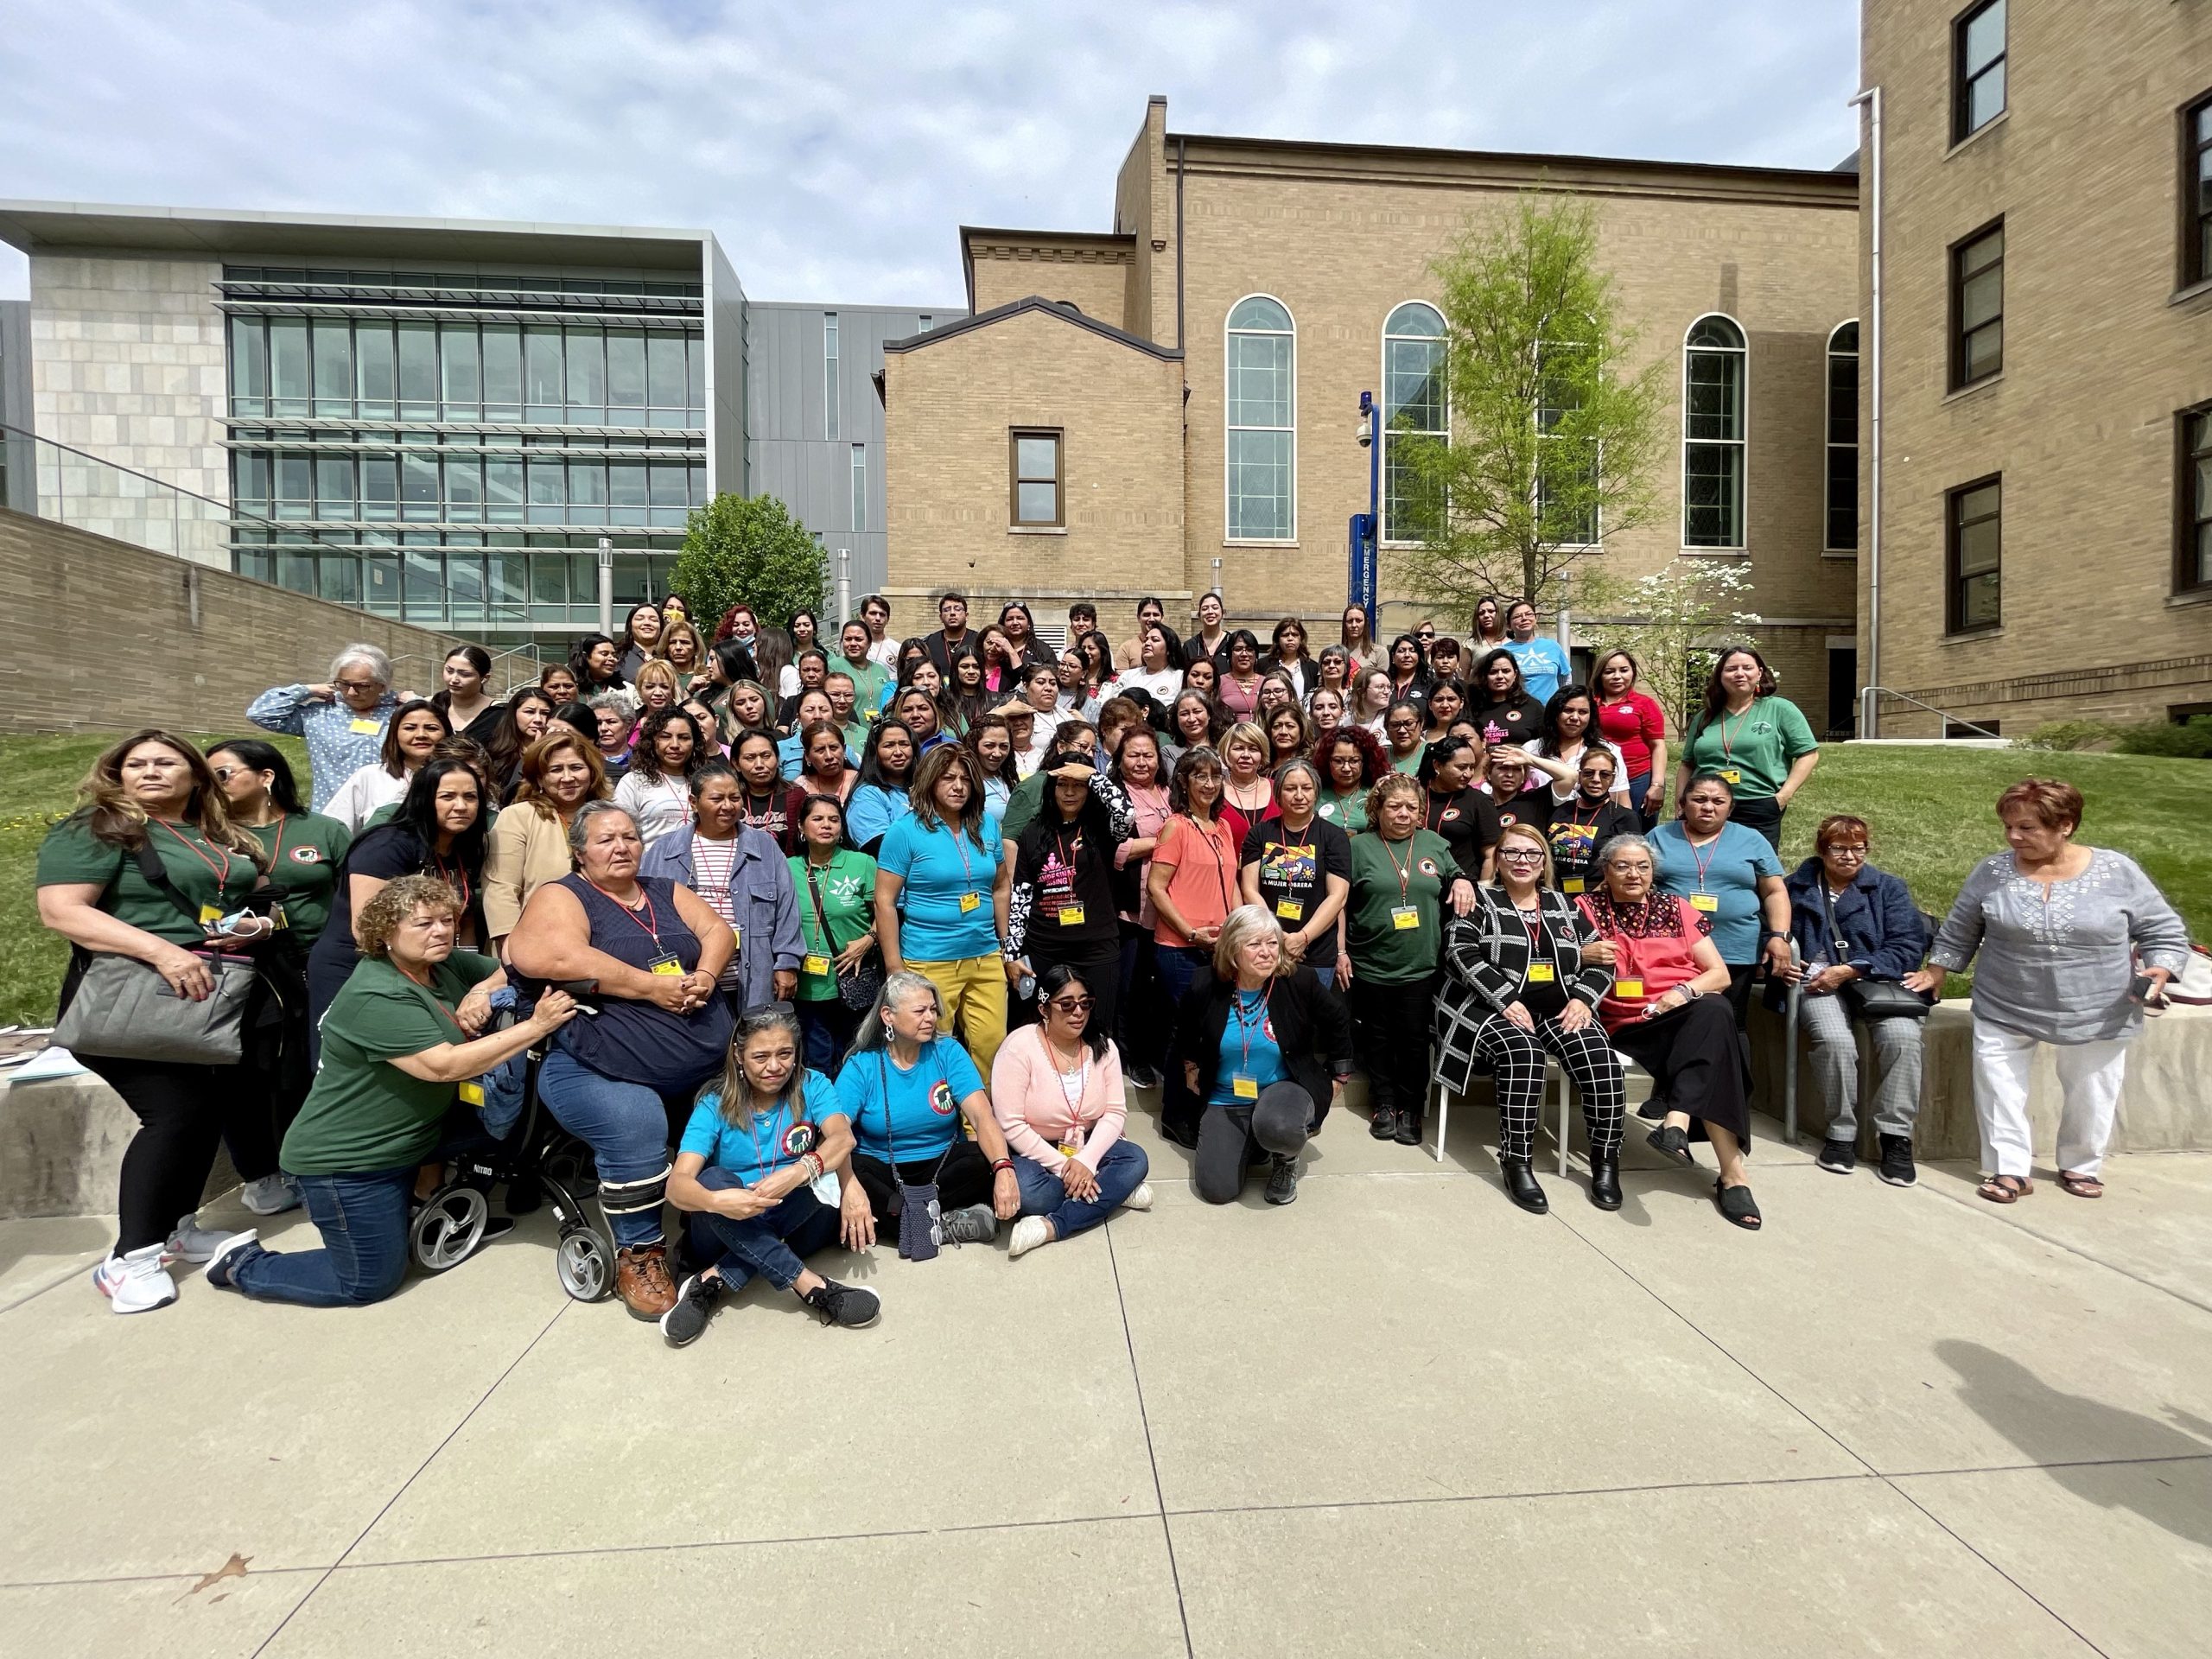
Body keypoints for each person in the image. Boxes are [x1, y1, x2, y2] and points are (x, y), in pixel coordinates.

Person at [201, 877, 567, 1307]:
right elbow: (443, 1066)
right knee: (366, 1282)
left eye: (448, 921)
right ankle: (241, 1263)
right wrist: (536, 1026)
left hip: (416, 1138)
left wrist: (481, 991)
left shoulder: (442, 964)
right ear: (385, 934)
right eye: (424, 923)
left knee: (519, 1127)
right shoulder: (377, 992)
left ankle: (427, 1203)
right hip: (349, 1164)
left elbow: (515, 967)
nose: (442, 931)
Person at [36, 732, 281, 1313]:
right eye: (136, 764)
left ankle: (175, 1228)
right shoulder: (96, 829)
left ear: (197, 776)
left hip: (206, 995)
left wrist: (258, 927)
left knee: (204, 1115)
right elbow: (61, 911)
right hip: (132, 995)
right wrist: (164, 952)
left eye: (166, 763)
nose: (149, 772)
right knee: (176, 1115)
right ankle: (130, 1261)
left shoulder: (216, 835)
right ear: (116, 774)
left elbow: (264, 900)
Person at [1907, 779, 2190, 1204]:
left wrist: (2161, 968)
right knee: (2000, 1087)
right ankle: (2010, 1169)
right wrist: (1938, 970)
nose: (2013, 838)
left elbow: (2162, 929)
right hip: (2005, 999)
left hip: (2098, 1005)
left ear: (2066, 825)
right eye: (2008, 827)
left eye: (2027, 829)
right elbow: (1963, 926)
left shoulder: (2117, 871)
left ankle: (2081, 1163)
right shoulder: (1993, 871)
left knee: (2093, 1088)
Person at [506, 800, 735, 1319]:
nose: (621, 847)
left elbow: (719, 932)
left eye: (629, 837)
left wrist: (705, 974)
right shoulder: (563, 894)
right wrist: (652, 988)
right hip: (594, 1064)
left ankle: (723, 1225)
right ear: (580, 850)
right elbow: (555, 957)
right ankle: (641, 1250)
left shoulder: (664, 889)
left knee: (750, 1102)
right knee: (635, 1118)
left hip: (700, 1060)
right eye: (606, 839)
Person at [658, 1005, 879, 1344]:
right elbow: (677, 1186)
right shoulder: (714, 1102)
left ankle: (714, 1279)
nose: (775, 1067)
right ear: (739, 1055)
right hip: (725, 1224)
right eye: (760, 1056)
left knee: (824, 1178)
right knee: (713, 1178)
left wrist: (803, 1172)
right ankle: (811, 1286)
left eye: (785, 1054)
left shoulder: (812, 1084)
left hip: (789, 1212)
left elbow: (842, 1137)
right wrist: (716, 1201)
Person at [1434, 823, 1625, 1211]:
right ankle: (1516, 1160)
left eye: (1532, 854)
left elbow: (1602, 960)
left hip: (1558, 1008)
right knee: (1526, 1054)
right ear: (1498, 860)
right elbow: (1460, 953)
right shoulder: (1480, 900)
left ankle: (1606, 1161)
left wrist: (1584, 1001)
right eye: (1512, 853)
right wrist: (1504, 998)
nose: (1522, 861)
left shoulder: (1565, 906)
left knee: (1600, 1059)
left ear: (1544, 862)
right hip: (1485, 1007)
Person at [1581, 834, 1760, 1228]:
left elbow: (1719, 974)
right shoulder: (1584, 909)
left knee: (1712, 1009)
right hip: (1625, 1023)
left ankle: (1680, 1124)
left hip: (1682, 1013)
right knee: (1717, 1036)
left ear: (1653, 872)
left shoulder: (1677, 909)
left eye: (1643, 866)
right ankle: (1731, 1174)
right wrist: (1580, 952)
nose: (1633, 874)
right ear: (1606, 871)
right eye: (1622, 866)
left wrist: (1681, 991)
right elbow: (1548, 956)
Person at [1768, 816, 1932, 1185]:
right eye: (1839, 848)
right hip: (1815, 984)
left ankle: (1895, 1136)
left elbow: (1908, 947)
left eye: (1858, 848)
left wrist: (1855, 969)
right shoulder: (1795, 888)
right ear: (1822, 850)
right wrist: (1784, 961)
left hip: (1878, 982)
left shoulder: (1889, 888)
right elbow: (1772, 933)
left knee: (1903, 1041)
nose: (1849, 856)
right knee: (1835, 1042)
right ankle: (1841, 1132)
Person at [1173, 904, 1354, 1206]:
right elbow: (1185, 1028)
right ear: (1232, 950)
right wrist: (1191, 1065)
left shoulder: (1298, 981)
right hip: (1226, 1096)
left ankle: (1285, 1158)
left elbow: (1337, 1020)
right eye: (1254, 944)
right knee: (1217, 1190)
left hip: (1284, 1090)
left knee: (1278, 1126)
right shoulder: (1205, 985)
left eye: (1272, 943)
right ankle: (1256, 1142)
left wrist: (1340, 1075)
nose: (1266, 952)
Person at [835, 972, 1022, 1244]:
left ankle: (902, 1225)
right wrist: (849, 1187)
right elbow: (835, 1133)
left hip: (940, 1168)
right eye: (920, 1011)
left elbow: (982, 1116)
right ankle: (942, 1226)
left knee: (983, 1159)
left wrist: (1004, 1168)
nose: (931, 1018)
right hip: (884, 1172)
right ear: (888, 1016)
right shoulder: (862, 1065)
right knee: (852, 1170)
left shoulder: (948, 1051)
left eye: (933, 1009)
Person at [1344, 772, 1477, 1146]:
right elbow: (1340, 901)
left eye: (1411, 808)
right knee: (1378, 1037)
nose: (1404, 814)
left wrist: (1464, 879)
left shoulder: (1434, 842)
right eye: (1395, 806)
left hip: (1420, 964)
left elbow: (1457, 873)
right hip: (1371, 960)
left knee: (1415, 1040)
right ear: (1378, 809)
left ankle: (1411, 1107)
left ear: (1421, 812)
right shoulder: (1359, 847)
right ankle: (1384, 1103)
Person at [992, 963, 1153, 1258]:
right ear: (1044, 1009)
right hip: (1035, 1148)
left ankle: (1052, 1226)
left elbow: (1115, 1112)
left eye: (1085, 1004)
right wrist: (1064, 1168)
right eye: (1066, 1005)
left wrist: (1088, 1162)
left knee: (1135, 1159)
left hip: (1089, 1143)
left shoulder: (1103, 1046)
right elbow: (1010, 1124)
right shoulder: (1018, 1047)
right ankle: (1114, 1192)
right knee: (1029, 1194)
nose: (1078, 1012)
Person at [874, 744, 1011, 1071]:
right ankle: (940, 1120)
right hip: (929, 960)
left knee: (992, 1045)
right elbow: (884, 900)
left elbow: (1001, 886)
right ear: (930, 781)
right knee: (933, 1049)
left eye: (966, 778)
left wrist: (1007, 946)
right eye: (948, 778)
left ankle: (976, 1122)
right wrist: (895, 967)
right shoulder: (905, 830)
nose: (958, 786)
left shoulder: (987, 825)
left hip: (985, 957)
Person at [639, 760, 801, 1015]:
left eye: (734, 798)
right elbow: (644, 915)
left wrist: (787, 963)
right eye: (717, 798)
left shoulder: (765, 847)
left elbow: (787, 911)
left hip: (752, 981)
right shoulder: (664, 851)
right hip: (687, 981)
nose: (728, 806)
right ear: (694, 802)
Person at [1003, 754, 1128, 1039]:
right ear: (1051, 788)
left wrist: (1093, 775)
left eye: (1078, 785)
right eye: (1062, 784)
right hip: (1045, 947)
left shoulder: (1102, 827)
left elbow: (1126, 814)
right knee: (1043, 1029)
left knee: (1097, 1030)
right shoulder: (1033, 832)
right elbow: (1021, 895)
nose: (1070, 792)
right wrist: (1011, 954)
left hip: (1097, 947)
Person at [1648, 772, 1789, 1024]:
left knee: (1732, 1022)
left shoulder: (1752, 839)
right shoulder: (1658, 837)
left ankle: (1734, 1066)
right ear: (1683, 804)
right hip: (1674, 949)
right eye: (1699, 799)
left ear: (1731, 808)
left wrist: (1779, 936)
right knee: (1676, 1020)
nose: (1708, 807)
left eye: (1718, 801)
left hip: (1735, 947)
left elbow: (1774, 891)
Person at [1147, 747, 1243, 1105]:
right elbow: (1156, 887)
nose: (1208, 784)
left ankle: (1204, 1104)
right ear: (1183, 782)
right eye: (1199, 776)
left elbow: (1230, 883)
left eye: (1215, 776)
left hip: (1219, 946)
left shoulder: (1222, 828)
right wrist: (1190, 932)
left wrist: (1238, 928)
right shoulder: (1176, 826)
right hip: (1181, 948)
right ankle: (1175, 1113)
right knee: (1183, 1033)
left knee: (1210, 1031)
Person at [1673, 645, 1819, 851]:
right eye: (1731, 669)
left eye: (1747, 667)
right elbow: (1687, 764)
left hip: (1757, 804)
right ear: (1721, 676)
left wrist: (1783, 797)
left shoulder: (1780, 709)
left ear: (1759, 673)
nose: (1739, 674)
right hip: (1707, 805)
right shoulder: (1705, 716)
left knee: (1754, 871)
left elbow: (1808, 754)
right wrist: (1681, 803)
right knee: (1704, 865)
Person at [484, 730, 609, 952]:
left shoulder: (610, 817)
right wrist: (514, 954)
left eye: (577, 767)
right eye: (556, 770)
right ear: (540, 779)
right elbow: (501, 891)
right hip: (535, 946)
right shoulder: (518, 816)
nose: (568, 777)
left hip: (605, 941)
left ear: (592, 772)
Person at [248, 644, 402, 813]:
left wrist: (414, 700)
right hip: (333, 810)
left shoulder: (401, 714)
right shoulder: (319, 715)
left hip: (389, 811)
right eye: (343, 684)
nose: (351, 692)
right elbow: (260, 714)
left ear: (382, 685)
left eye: (362, 686)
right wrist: (306, 690)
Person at [1239, 757, 1352, 982]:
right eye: (1290, 789)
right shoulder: (1259, 834)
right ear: (1278, 794)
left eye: (1306, 788)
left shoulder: (1334, 836)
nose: (1299, 795)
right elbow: (1249, 890)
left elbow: (1337, 897)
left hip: (1317, 952)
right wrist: (1277, 938)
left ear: (1316, 792)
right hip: (1267, 948)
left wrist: (1303, 938)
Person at [788, 793, 879, 1071]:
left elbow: (886, 914)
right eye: (817, 819)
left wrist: (869, 939)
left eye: (834, 819)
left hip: (853, 977)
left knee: (855, 1056)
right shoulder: (787, 867)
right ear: (802, 827)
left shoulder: (862, 863)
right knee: (817, 1060)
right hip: (808, 983)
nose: (826, 825)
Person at [1110, 724, 1173, 1089]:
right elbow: (1116, 850)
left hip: (1169, 909)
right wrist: (1164, 842)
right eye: (1132, 755)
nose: (1141, 762)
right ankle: (1131, 1057)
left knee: (1160, 987)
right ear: (1119, 760)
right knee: (1130, 988)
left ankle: (1157, 1051)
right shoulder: (1115, 796)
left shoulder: (1169, 792)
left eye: (1148, 754)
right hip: (1130, 909)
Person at [1545, 747, 1640, 895]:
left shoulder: (1624, 817)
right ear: (1580, 775)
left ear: (1613, 779)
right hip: (1554, 892)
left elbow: (1627, 865)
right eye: (1589, 773)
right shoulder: (1560, 810)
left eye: (1604, 774)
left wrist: (1588, 902)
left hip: (1598, 895)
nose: (1596, 779)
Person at [1593, 649, 1669, 823]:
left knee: (1637, 834)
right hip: (1599, 778)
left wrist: (1657, 785)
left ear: (1633, 672)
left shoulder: (1645, 704)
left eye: (1624, 670)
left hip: (1638, 778)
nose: (1617, 676)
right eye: (1609, 671)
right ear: (1600, 675)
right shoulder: (1589, 704)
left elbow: (1658, 746)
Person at [613, 707, 705, 846]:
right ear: (652, 741)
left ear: (694, 743)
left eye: (684, 738)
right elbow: (621, 833)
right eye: (665, 737)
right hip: (651, 865)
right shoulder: (634, 782)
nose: (675, 745)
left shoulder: (706, 781)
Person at [1417, 734, 1502, 883]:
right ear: (1437, 765)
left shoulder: (1479, 802)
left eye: (1472, 767)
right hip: (1418, 885)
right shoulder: (1415, 795)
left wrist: (1482, 891)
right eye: (1461, 767)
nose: (1468, 774)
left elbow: (1491, 855)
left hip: (1463, 889)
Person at [1528, 684, 1630, 805]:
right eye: (1568, 710)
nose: (1575, 717)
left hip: (1591, 822)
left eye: (1583, 712)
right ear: (1555, 714)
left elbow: (1622, 801)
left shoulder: (1609, 751)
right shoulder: (1531, 750)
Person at [846, 717, 918, 854]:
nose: (898, 752)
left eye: (904, 744)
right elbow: (882, 849)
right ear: (875, 752)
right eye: (889, 745)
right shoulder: (866, 795)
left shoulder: (925, 789)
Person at [482, 690, 555, 804]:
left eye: (545, 713)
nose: (538, 720)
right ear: (514, 713)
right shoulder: (494, 751)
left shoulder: (555, 752)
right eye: (530, 712)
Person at [1467, 650, 1545, 747]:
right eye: (1493, 672)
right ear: (1484, 676)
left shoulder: (1532, 707)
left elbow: (1547, 744)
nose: (1500, 676)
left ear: (1515, 674)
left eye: (1506, 671)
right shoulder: (1472, 706)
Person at [728, 728, 792, 844]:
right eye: (750, 758)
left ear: (777, 759)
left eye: (766, 756)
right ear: (736, 764)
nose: (759, 765)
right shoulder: (728, 800)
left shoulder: (795, 796)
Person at [432, 645, 505, 745]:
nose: (454, 680)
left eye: (465, 674)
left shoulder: (500, 712)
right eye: (449, 671)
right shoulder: (433, 705)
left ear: (485, 678)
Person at [1499, 601, 1571, 703]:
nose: (1524, 618)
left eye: (1529, 614)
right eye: (1517, 616)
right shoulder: (1503, 651)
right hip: (1518, 710)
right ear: (1509, 625)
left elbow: (1565, 679)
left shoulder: (1552, 646)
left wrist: (1564, 702)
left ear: (1535, 619)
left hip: (1550, 712)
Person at [1217, 720, 1276, 836]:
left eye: (1253, 749)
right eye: (1238, 748)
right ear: (1226, 753)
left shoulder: (1278, 789)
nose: (1246, 755)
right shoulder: (1214, 791)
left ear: (1262, 754)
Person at [1107, 620, 1184, 707]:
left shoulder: (1179, 677)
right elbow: (1112, 707)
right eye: (1145, 640)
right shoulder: (1128, 675)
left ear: (1169, 649)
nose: (1147, 643)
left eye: (1155, 640)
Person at [1317, 730, 1377, 832]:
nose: (1346, 768)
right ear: (1327, 762)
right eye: (1338, 761)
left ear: (1365, 762)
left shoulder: (1375, 794)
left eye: (1354, 761)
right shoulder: (1315, 795)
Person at [837, 619, 893, 717]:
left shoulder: (881, 670)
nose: (853, 644)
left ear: (869, 642)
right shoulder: (834, 667)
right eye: (848, 639)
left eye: (859, 639)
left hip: (882, 729)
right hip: (850, 730)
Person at [920, 590, 978, 678]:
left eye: (957, 609)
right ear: (941, 617)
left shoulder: (979, 640)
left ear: (966, 616)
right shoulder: (928, 643)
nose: (952, 613)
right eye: (947, 610)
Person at [1164, 688, 1223, 764]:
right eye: (1184, 714)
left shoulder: (1224, 749)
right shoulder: (1169, 752)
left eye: (1197, 712)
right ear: (1176, 719)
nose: (1192, 719)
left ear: (1209, 714)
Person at [1217, 630, 1265, 721]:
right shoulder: (1219, 682)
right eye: (1238, 649)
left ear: (1256, 655)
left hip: (1262, 734)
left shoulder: (1266, 682)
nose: (1244, 654)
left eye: (1250, 650)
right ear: (1229, 655)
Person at [587, 693, 635, 784]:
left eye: (611, 722)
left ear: (628, 725)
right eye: (598, 723)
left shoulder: (642, 760)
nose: (603, 728)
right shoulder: (586, 760)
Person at [1383, 634, 1430, 713]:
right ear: (1393, 656)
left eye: (1412, 651)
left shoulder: (1428, 685)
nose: (1407, 655)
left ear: (1419, 656)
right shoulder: (1384, 683)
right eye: (1401, 651)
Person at [619, 601, 664, 681]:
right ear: (630, 625)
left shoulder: (669, 657)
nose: (647, 623)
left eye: (653, 620)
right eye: (640, 619)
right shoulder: (617, 657)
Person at [1185, 590, 1231, 670]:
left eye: (1215, 608)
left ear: (1223, 613)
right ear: (1199, 615)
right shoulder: (1190, 646)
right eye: (1205, 608)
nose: (1210, 612)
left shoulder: (1232, 642)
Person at [571, 631, 627, 695]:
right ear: (585, 656)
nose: (612, 658)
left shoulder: (627, 690)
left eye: (614, 655)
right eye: (604, 654)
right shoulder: (568, 686)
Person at [1382, 700, 1427, 775]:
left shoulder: (1433, 753)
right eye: (1395, 725)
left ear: (1421, 724)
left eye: (1408, 724)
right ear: (1386, 728)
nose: (1402, 730)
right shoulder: (1380, 756)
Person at [1351, 666, 1396, 735]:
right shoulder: (1345, 722)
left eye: (1389, 687)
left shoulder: (1393, 720)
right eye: (1381, 687)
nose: (1387, 692)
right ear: (1361, 692)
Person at [1470, 595, 1510, 659]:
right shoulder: (1470, 644)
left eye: (1491, 611)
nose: (1486, 615)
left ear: (1499, 614)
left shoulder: (1512, 643)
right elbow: (1464, 669)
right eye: (1481, 613)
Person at [1339, 604, 1375, 677]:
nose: (1354, 625)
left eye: (1358, 620)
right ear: (1344, 623)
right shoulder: (1336, 653)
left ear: (1366, 622)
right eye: (1350, 621)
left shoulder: (1379, 653)